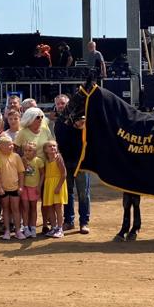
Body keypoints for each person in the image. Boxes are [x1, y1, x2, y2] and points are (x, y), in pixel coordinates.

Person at [54, 94, 91, 234]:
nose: (61, 106)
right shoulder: (58, 123)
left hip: (81, 163)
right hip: (65, 163)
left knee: (83, 193)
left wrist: (79, 125)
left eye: (63, 103)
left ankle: (84, 222)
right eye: (59, 104)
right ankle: (69, 221)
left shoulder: (81, 120)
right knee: (67, 193)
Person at [0, 134, 25, 240]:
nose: (11, 146)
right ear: (1, 146)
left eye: (11, 144)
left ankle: (17, 230)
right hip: (3, 189)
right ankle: (7, 230)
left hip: (15, 188)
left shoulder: (16, 156)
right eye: (8, 144)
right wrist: (0, 187)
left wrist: (21, 187)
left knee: (16, 209)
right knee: (6, 210)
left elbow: (21, 173)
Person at [42, 140, 68, 238]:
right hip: (49, 185)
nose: (52, 148)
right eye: (50, 146)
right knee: (50, 208)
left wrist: (58, 187)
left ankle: (60, 229)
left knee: (58, 207)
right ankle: (53, 228)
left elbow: (64, 174)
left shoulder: (59, 158)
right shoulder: (46, 161)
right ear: (45, 150)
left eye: (54, 146)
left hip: (58, 185)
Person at [20, 141, 44, 238]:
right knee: (25, 208)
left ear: (35, 151)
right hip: (24, 187)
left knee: (33, 208)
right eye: (25, 150)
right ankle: (26, 228)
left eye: (30, 150)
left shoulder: (38, 161)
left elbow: (43, 174)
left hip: (34, 187)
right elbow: (21, 172)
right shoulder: (22, 160)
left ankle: (33, 227)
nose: (27, 152)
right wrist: (24, 163)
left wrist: (39, 186)